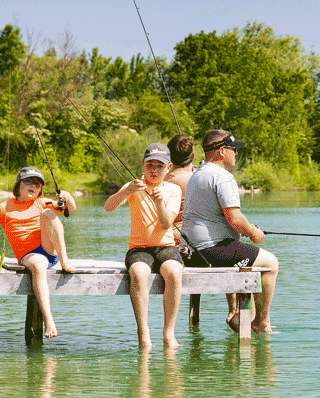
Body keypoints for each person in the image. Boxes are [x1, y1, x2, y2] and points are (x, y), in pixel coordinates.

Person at [0, 166, 77, 339]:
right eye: (28, 181)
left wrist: (67, 197)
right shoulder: (4, 207)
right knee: (38, 265)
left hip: (48, 249)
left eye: (37, 184)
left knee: (48, 213)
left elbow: (70, 209)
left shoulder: (43, 202)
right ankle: (49, 320)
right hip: (29, 255)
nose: (33, 186)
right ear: (18, 185)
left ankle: (65, 260)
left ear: (40, 189)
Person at [181, 130, 280, 334]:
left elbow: (225, 219)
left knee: (249, 261)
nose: (236, 153)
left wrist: (246, 228)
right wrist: (253, 233)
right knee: (270, 264)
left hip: (190, 254)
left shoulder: (197, 174)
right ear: (221, 151)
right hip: (210, 252)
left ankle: (241, 316)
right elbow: (235, 219)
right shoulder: (222, 176)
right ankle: (262, 323)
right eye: (233, 149)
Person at [105, 142, 184, 349]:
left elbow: (166, 223)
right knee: (138, 273)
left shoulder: (173, 189)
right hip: (139, 248)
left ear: (168, 168)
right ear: (143, 164)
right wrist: (127, 191)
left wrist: (159, 203)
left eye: (160, 166)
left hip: (165, 247)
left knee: (174, 272)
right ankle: (143, 332)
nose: (154, 170)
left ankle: (169, 332)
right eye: (150, 165)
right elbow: (108, 207)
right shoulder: (134, 186)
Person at [164, 134, 195, 246]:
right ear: (193, 156)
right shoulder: (198, 179)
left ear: (169, 158)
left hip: (167, 239)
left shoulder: (161, 181)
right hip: (194, 239)